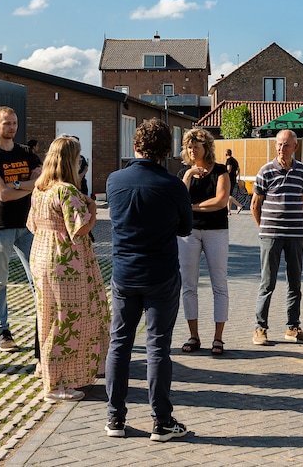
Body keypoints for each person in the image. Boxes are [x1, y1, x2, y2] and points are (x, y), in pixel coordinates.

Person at [105, 119, 193, 442]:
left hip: (124, 275)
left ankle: (115, 418)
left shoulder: (114, 181)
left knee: (120, 343)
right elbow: (185, 228)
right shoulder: (173, 186)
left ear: (135, 146)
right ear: (167, 150)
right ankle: (162, 421)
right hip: (161, 275)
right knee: (157, 347)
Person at [26, 136, 109, 402]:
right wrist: (93, 211)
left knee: (48, 317)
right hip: (65, 263)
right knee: (67, 321)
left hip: (41, 256)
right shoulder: (66, 191)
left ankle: (50, 374)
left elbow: (32, 225)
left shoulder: (40, 189)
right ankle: (56, 385)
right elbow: (79, 230)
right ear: (71, 160)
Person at [0, 107, 42, 353]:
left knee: (38, 278)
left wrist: (16, 183)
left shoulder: (27, 152)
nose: (12, 127)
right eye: (7, 123)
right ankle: (1, 331)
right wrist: (27, 186)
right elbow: (2, 194)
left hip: (28, 224)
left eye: (15, 123)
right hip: (2, 225)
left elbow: (41, 182)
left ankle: (44, 327)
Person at [250, 129, 303, 346]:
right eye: (278, 144)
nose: (281, 148)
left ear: (295, 147)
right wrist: (265, 229)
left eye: (286, 145)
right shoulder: (266, 171)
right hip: (271, 235)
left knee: (295, 283)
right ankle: (260, 328)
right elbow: (255, 204)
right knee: (267, 283)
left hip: (295, 235)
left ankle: (293, 328)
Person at [178, 129, 231, 356]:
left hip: (216, 231)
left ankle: (218, 338)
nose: (192, 150)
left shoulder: (220, 171)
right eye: (189, 147)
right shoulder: (184, 173)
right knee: (189, 285)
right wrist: (188, 176)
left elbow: (221, 201)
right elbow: (180, 199)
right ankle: (194, 335)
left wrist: (193, 208)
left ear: (206, 148)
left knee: (219, 284)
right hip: (188, 232)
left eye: (196, 146)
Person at [223, 149, 243, 213]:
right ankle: (229, 210)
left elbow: (229, 169)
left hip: (229, 179)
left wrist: (225, 176)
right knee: (229, 194)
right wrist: (235, 176)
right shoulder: (235, 160)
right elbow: (238, 169)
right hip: (233, 179)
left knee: (227, 195)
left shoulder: (229, 160)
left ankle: (239, 205)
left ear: (226, 154)